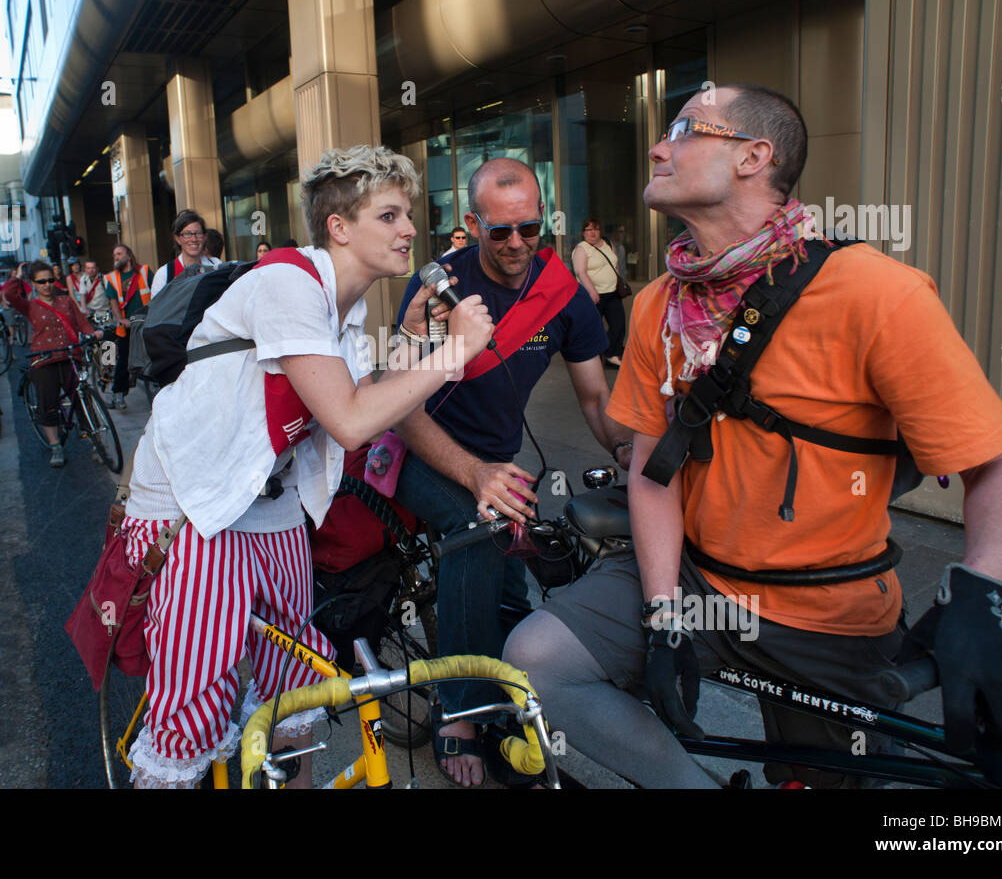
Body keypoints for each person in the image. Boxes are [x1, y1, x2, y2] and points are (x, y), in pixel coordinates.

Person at [504, 82, 1002, 789]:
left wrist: (989, 596)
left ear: (753, 156)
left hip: (830, 612)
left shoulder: (874, 291)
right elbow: (650, 470)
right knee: (537, 658)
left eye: (682, 127)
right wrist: (666, 610)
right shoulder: (655, 306)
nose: (656, 144)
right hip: (700, 578)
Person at [119, 144, 494, 788]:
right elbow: (349, 418)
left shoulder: (343, 314)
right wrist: (457, 349)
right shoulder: (287, 280)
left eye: (408, 215)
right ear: (338, 227)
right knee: (193, 708)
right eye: (389, 215)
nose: (410, 229)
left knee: (298, 686)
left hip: (272, 508)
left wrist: (414, 342)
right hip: (196, 513)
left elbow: (366, 402)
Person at [393, 156, 633, 787]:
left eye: (530, 229)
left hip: (497, 464)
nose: (518, 244)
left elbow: (592, 399)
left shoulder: (563, 296)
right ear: (473, 225)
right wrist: (475, 475)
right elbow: (400, 409)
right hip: (417, 453)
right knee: (477, 528)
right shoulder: (436, 288)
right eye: (500, 232)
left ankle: (503, 691)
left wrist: (627, 453)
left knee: (513, 588)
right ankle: (459, 713)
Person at [1, 261, 101, 467]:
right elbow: (9, 295)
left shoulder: (66, 301)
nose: (47, 285)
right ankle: (56, 446)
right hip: (43, 359)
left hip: (69, 356)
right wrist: (17, 276)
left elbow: (81, 322)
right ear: (33, 283)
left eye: (50, 280)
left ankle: (96, 443)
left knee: (82, 400)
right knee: (48, 404)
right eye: (41, 281)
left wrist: (92, 334)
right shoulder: (30, 305)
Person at [103, 244, 153, 410]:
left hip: (146, 323)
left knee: (152, 357)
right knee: (123, 360)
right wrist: (120, 319)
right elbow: (113, 302)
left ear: (129, 255)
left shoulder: (145, 271)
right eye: (114, 255)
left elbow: (157, 292)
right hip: (126, 326)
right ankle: (118, 393)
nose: (116, 257)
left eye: (119, 253)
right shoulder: (112, 278)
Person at [572, 218, 627, 367]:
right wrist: (592, 291)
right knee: (593, 328)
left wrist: (618, 281)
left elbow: (615, 264)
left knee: (619, 324)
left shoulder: (608, 244)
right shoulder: (581, 249)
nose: (593, 233)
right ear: (583, 233)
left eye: (595, 229)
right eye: (589, 230)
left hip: (612, 293)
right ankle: (593, 355)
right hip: (593, 295)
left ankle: (610, 354)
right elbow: (580, 272)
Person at [149, 210, 221, 299]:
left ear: (205, 237)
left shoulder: (216, 265)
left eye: (198, 233)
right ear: (178, 239)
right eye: (187, 234)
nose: (194, 239)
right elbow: (156, 310)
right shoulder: (165, 274)